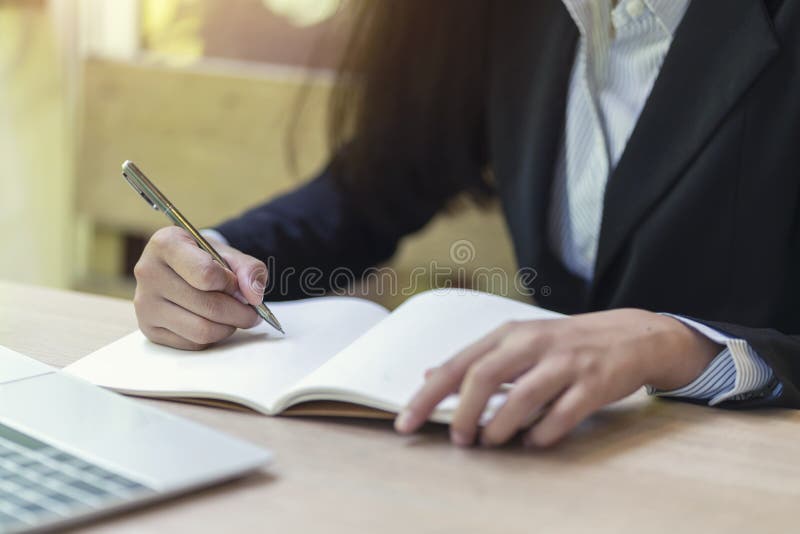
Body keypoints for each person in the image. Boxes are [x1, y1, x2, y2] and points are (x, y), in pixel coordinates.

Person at [132, 0, 800, 447]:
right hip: (549, 464)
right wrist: (216, 258)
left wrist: (678, 347)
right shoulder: (505, 16)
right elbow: (371, 188)